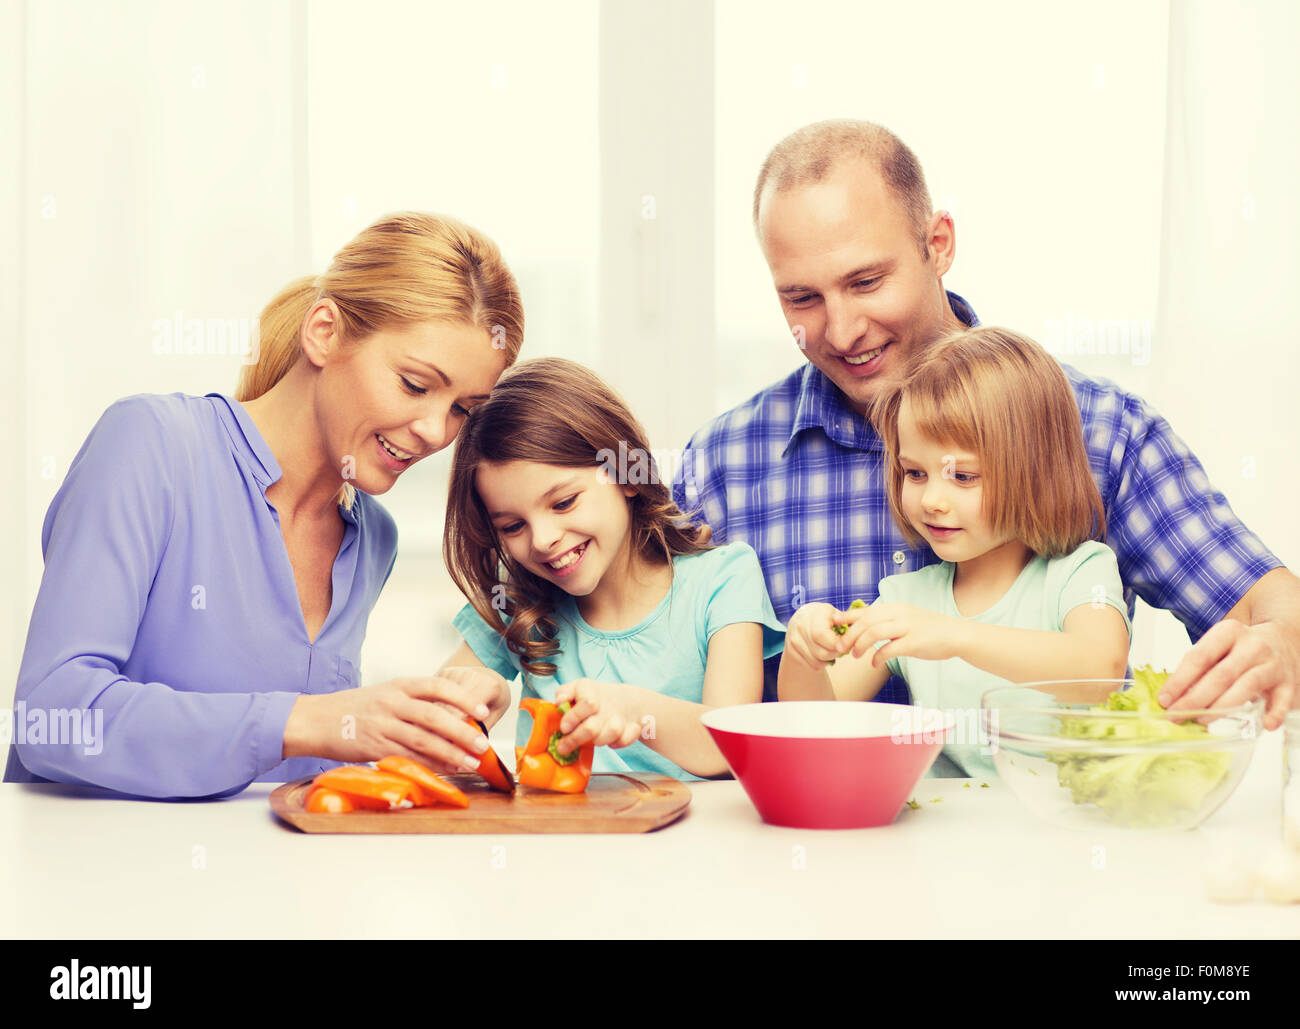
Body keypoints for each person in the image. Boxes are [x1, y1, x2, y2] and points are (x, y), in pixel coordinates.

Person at [672, 118, 1298, 730]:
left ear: (938, 244)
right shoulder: (723, 463)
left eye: (866, 281)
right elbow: (653, 673)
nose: (840, 331)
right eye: (801, 298)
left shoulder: (1103, 430)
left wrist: (1282, 645)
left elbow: (1260, 606)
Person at [5, 211, 525, 798]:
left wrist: (428, 730)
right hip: (106, 881)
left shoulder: (372, 537)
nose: (436, 431)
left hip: (270, 885)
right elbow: (51, 715)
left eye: (463, 409)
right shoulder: (153, 445)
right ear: (324, 332)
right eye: (414, 384)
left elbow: (296, 775)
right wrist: (309, 721)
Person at [778, 327, 1132, 776]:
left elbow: (1099, 671)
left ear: (1037, 473)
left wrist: (957, 637)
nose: (931, 501)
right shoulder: (908, 603)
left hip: (1061, 828)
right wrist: (802, 652)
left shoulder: (1079, 572)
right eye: (915, 473)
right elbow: (814, 723)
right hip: (945, 836)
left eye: (963, 477)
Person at [443, 357, 785, 780]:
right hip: (557, 838)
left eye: (564, 502)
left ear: (626, 473)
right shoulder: (518, 595)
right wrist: (476, 697)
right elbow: (435, 724)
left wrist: (631, 710)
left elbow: (730, 745)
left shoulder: (724, 579)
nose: (543, 539)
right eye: (513, 526)